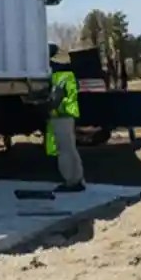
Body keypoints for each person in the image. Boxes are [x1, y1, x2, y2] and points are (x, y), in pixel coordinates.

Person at [44, 44, 86, 192]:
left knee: (64, 150)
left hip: (60, 115)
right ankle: (78, 179)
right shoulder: (69, 75)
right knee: (71, 149)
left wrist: (45, 105)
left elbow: (56, 98)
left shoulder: (59, 76)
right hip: (69, 114)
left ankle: (70, 182)